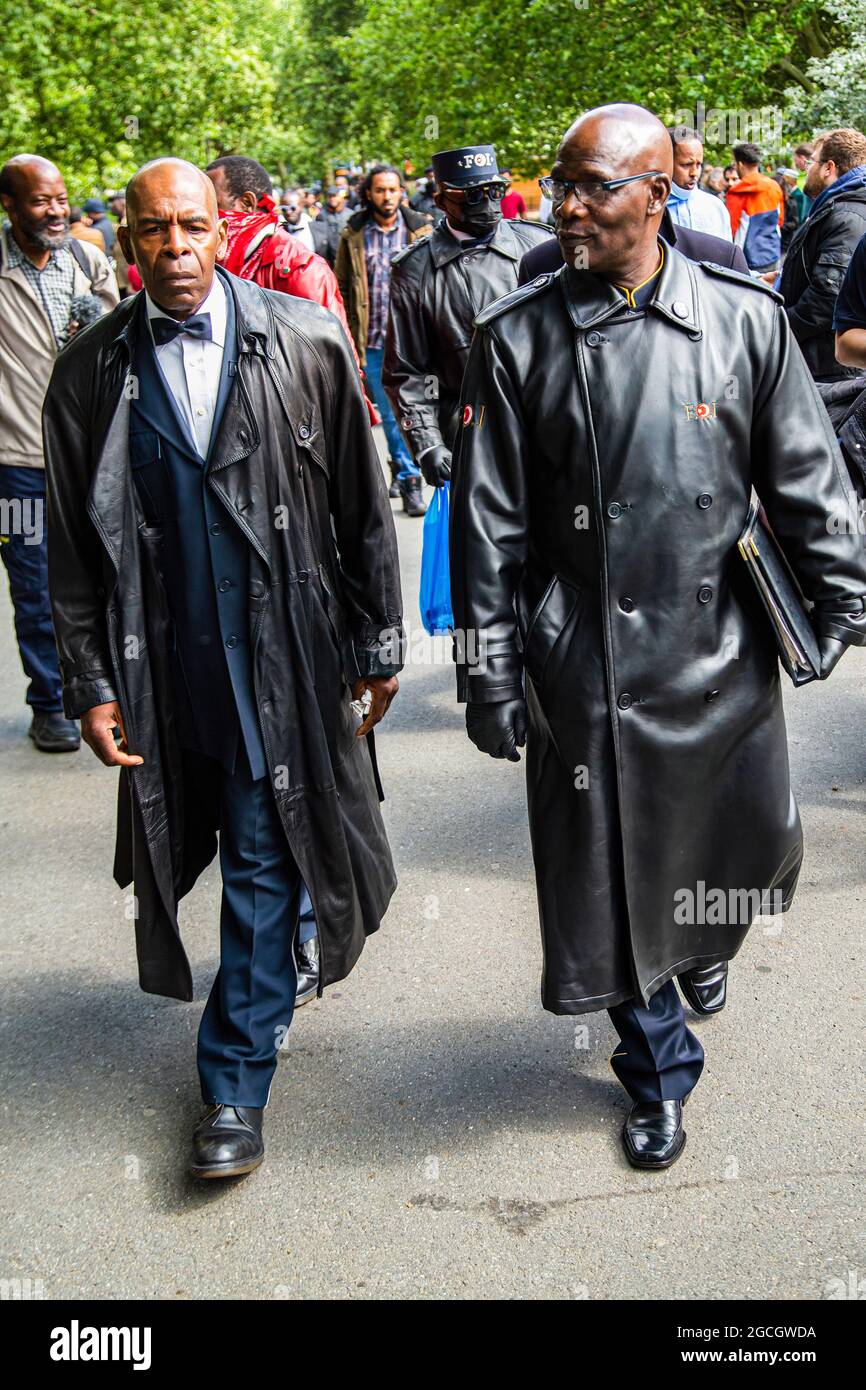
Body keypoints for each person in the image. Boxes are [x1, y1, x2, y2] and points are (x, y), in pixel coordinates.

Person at [450, 103, 866, 1171]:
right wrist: (488, 671)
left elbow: (806, 478)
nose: (567, 208)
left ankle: (698, 943)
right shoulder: (516, 336)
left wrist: (842, 603)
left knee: (731, 848)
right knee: (608, 871)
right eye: (560, 185)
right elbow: (487, 525)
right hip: (590, 661)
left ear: (655, 195)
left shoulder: (743, 318)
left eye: (593, 187)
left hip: (721, 644)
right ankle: (657, 1065)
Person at [42, 157, 404, 1180]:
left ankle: (234, 1084)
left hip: (281, 652)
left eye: (192, 227)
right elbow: (71, 545)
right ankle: (270, 979)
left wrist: (379, 641)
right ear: (126, 243)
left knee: (259, 846)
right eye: (153, 230)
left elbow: (361, 507)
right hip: (163, 665)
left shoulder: (305, 337)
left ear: (223, 229)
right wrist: (88, 682)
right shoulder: (90, 370)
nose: (176, 248)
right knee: (192, 837)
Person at [0, 154, 117, 754]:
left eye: (60, 198)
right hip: (14, 466)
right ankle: (49, 703)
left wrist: (95, 328)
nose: (55, 211)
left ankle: (106, 690)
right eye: (40, 200)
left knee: (106, 575)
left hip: (88, 457)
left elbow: (121, 337)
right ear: (9, 206)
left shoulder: (86, 259)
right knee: (33, 583)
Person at [383, 144, 552, 492]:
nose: (488, 203)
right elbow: (406, 369)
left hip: (547, 427)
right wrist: (427, 443)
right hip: (469, 436)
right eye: (473, 195)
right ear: (441, 200)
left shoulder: (540, 246)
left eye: (495, 191)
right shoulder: (414, 269)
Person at [335, 164, 431, 516]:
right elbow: (342, 288)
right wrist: (349, 337)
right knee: (392, 415)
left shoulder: (422, 229)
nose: (387, 196)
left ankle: (402, 465)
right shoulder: (353, 234)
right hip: (374, 341)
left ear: (401, 192)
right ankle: (409, 480)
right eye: (380, 190)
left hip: (416, 339)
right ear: (369, 193)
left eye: (393, 189)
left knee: (418, 408)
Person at [778, 129, 866, 383]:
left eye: (811, 162)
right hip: (822, 362)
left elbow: (829, 294)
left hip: (829, 370)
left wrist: (779, 329)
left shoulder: (849, 216)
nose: (807, 169)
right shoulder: (838, 207)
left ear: (828, 167)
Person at [725, 142, 784, 274]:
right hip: (773, 254)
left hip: (745, 260)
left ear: (740, 164)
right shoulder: (774, 186)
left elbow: (730, 229)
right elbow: (780, 221)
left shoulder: (737, 192)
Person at [665, 127, 732, 239]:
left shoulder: (716, 208)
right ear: (667, 162)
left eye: (698, 164)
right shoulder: (651, 208)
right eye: (686, 165)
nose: (694, 173)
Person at [312, 185, 351, 267]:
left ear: (340, 197)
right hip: (329, 260)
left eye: (334, 196)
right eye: (330, 196)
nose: (332, 199)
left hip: (348, 258)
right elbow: (318, 240)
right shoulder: (322, 215)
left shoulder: (350, 214)